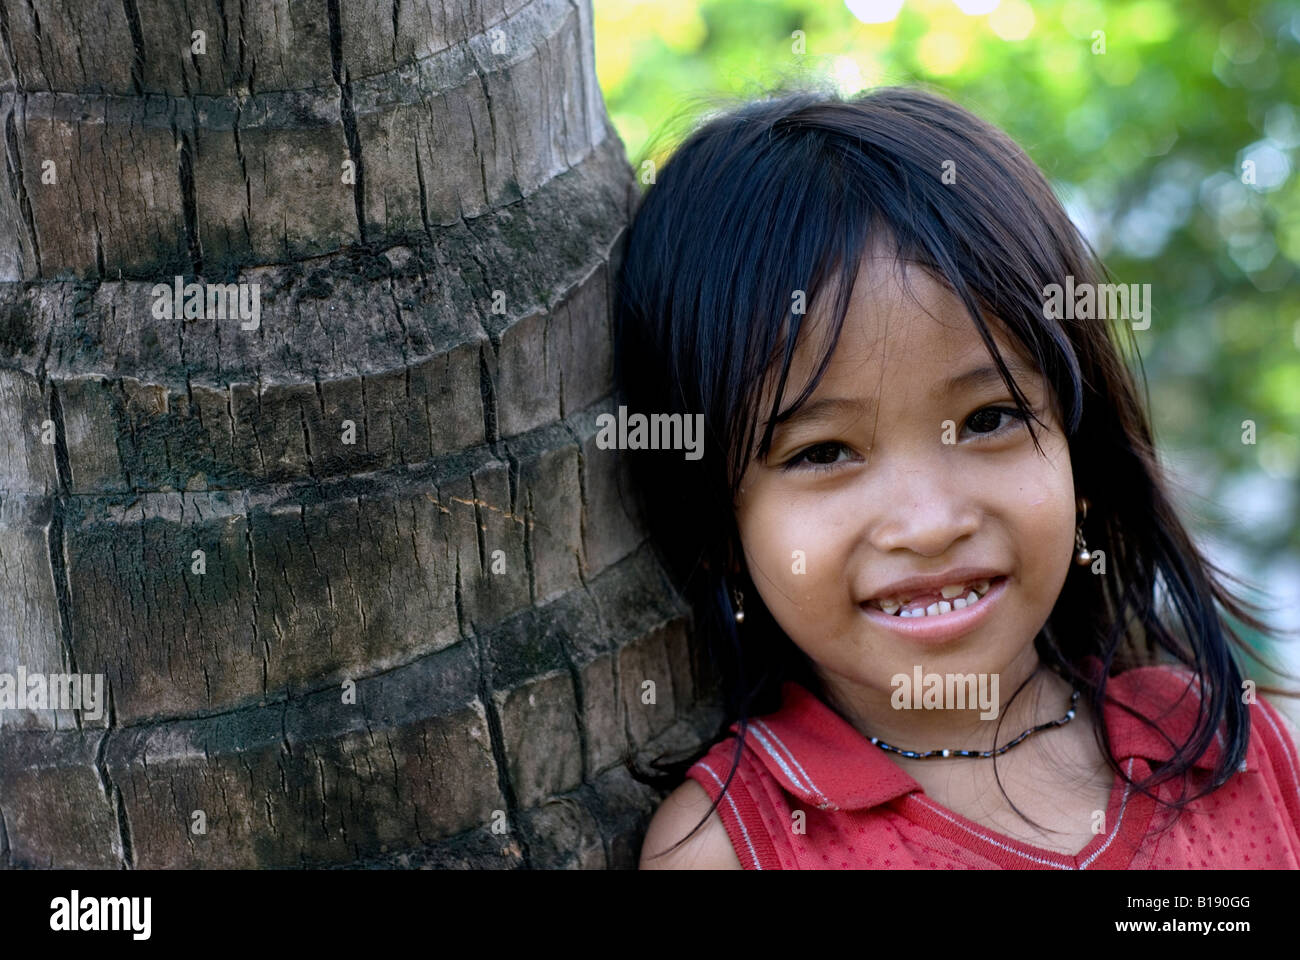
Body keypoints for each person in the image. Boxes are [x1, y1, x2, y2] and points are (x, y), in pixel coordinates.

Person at [614, 86, 1300, 869]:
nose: (932, 521)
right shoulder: (735, 848)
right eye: (824, 452)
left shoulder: (1227, 751)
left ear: (1079, 445)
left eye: (988, 419)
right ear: (719, 523)